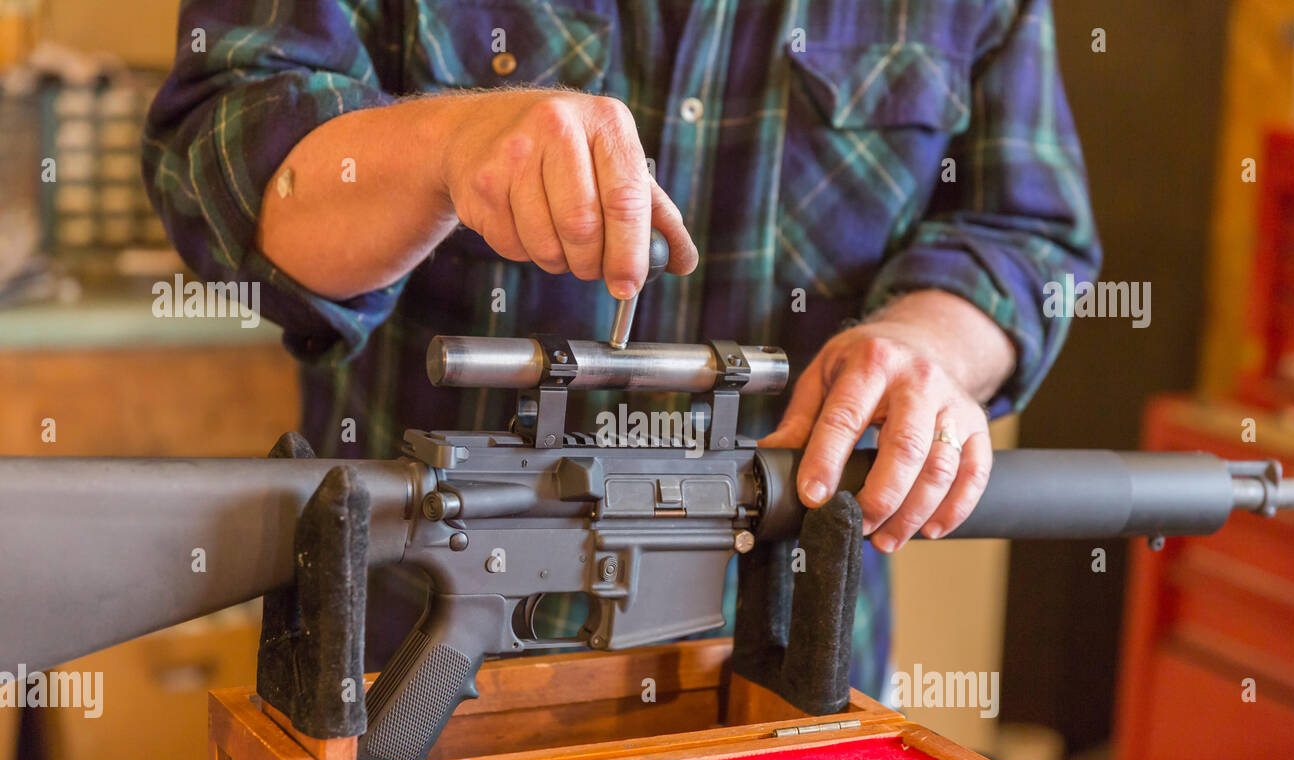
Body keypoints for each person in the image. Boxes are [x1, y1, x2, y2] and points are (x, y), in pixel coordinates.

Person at [143, 0, 1100, 696]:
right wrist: (445, 147)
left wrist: (922, 341)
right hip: (397, 640)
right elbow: (218, 153)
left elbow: (1025, 233)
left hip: (790, 660)